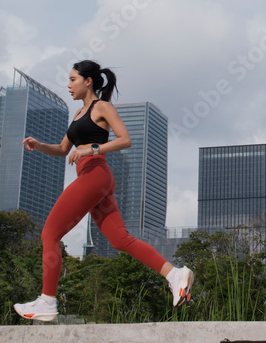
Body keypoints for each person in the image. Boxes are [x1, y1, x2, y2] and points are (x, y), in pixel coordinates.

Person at [13, 60, 193, 322]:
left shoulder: (102, 107)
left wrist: (91, 148)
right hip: (95, 179)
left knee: (50, 233)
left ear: (88, 81)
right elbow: (64, 149)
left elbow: (125, 139)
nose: (68, 84)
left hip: (95, 174)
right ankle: (174, 274)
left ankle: (48, 301)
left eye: (72, 79)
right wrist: (39, 145)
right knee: (120, 240)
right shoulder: (77, 114)